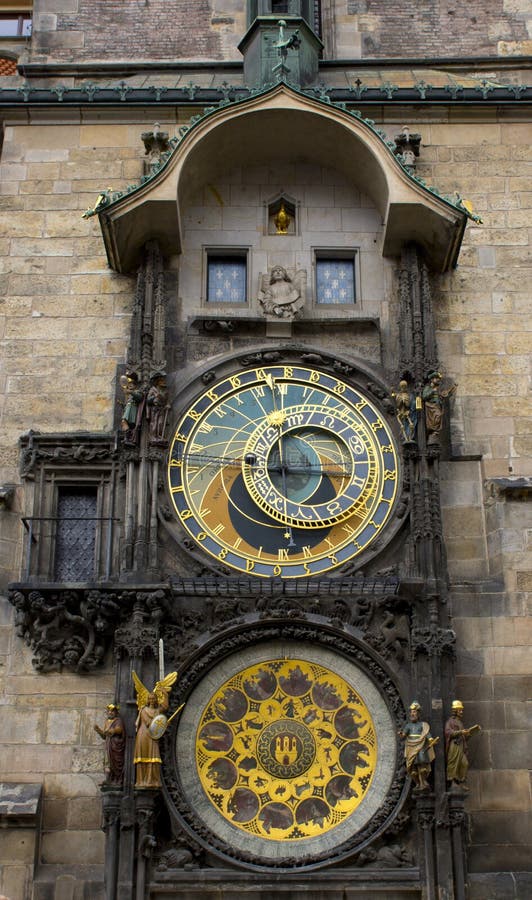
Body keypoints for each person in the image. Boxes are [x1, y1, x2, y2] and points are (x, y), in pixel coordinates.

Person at [398, 701, 438, 791]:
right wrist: (401, 734)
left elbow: (426, 733)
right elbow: (404, 735)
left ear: (418, 714)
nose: (412, 714)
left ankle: (423, 781)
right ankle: (417, 783)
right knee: (413, 767)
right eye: (411, 712)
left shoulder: (422, 725)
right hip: (411, 746)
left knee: (422, 763)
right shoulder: (408, 726)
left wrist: (431, 739)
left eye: (414, 712)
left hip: (420, 745)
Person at [445, 700, 480, 790]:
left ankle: (461, 781)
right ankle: (452, 782)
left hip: (461, 745)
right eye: (460, 710)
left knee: (464, 763)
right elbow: (448, 732)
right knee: (453, 763)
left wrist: (470, 733)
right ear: (455, 711)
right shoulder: (450, 721)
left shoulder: (460, 723)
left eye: (461, 710)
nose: (461, 712)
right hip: (454, 745)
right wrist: (460, 732)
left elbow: (464, 737)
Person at [94, 703, 125, 786]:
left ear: (116, 712)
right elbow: (104, 735)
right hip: (108, 745)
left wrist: (113, 731)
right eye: (109, 711)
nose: (110, 713)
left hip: (115, 745)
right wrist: (98, 730)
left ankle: (116, 780)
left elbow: (119, 729)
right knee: (107, 762)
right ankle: (108, 780)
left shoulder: (118, 720)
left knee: (115, 762)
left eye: (112, 711)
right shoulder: (107, 721)